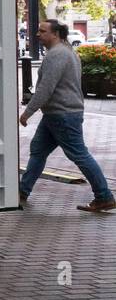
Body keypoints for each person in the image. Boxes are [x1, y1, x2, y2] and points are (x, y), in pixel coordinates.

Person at [19, 19, 115, 212]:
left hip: (62, 114)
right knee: (38, 151)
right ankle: (22, 192)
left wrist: (27, 112)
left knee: (79, 155)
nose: (38, 34)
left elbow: (46, 88)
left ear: (56, 34)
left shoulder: (57, 55)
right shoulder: (68, 52)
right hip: (57, 114)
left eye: (42, 31)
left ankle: (104, 196)